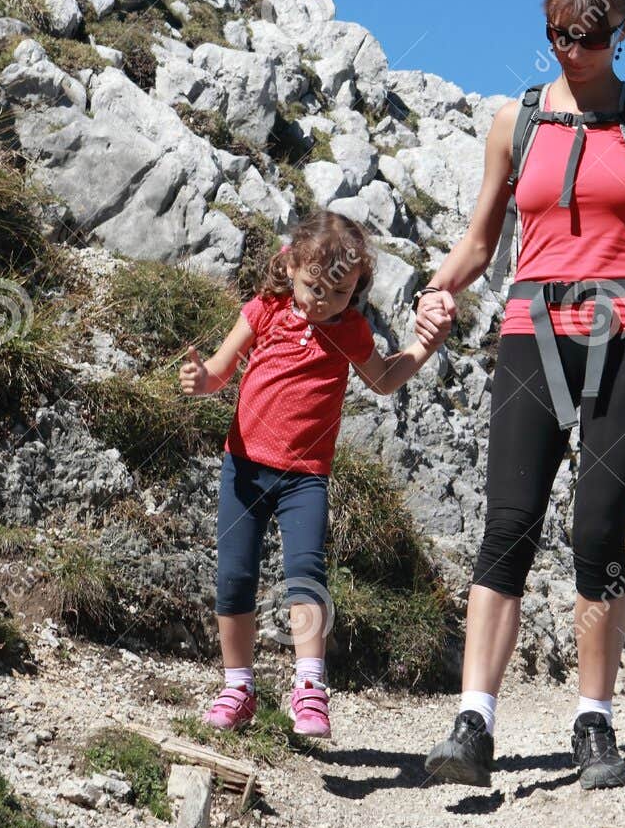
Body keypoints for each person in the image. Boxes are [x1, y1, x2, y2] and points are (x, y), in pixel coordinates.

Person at [416, 0, 625, 790]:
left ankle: (593, 721)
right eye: (558, 36)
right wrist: (437, 288)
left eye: (589, 38)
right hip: (531, 324)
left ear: (618, 34)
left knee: (596, 531)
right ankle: (472, 724)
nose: (571, 51)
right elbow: (482, 241)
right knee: (509, 523)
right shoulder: (513, 122)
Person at [178, 210, 450, 738]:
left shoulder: (350, 331)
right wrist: (200, 378)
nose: (321, 300)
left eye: (339, 291)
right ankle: (238, 686)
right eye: (311, 286)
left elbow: (385, 379)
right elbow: (220, 370)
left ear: (358, 287)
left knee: (306, 575)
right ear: (292, 265)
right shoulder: (265, 308)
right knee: (234, 579)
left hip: (305, 477)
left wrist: (423, 347)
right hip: (244, 466)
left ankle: (309, 687)